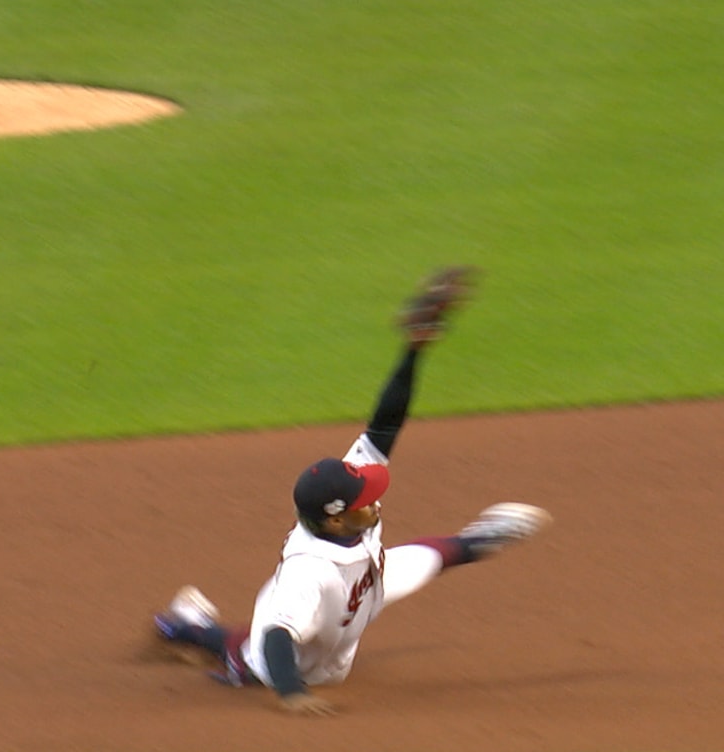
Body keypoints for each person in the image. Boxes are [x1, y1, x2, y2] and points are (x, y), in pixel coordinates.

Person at [148, 267, 551, 717]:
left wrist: (412, 352)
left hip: (365, 580)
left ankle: (482, 537)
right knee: (239, 646)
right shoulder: (308, 573)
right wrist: (292, 694)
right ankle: (184, 624)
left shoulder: (344, 510)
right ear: (335, 518)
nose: (374, 500)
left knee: (435, 556)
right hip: (282, 657)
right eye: (364, 501)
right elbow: (278, 636)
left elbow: (383, 426)